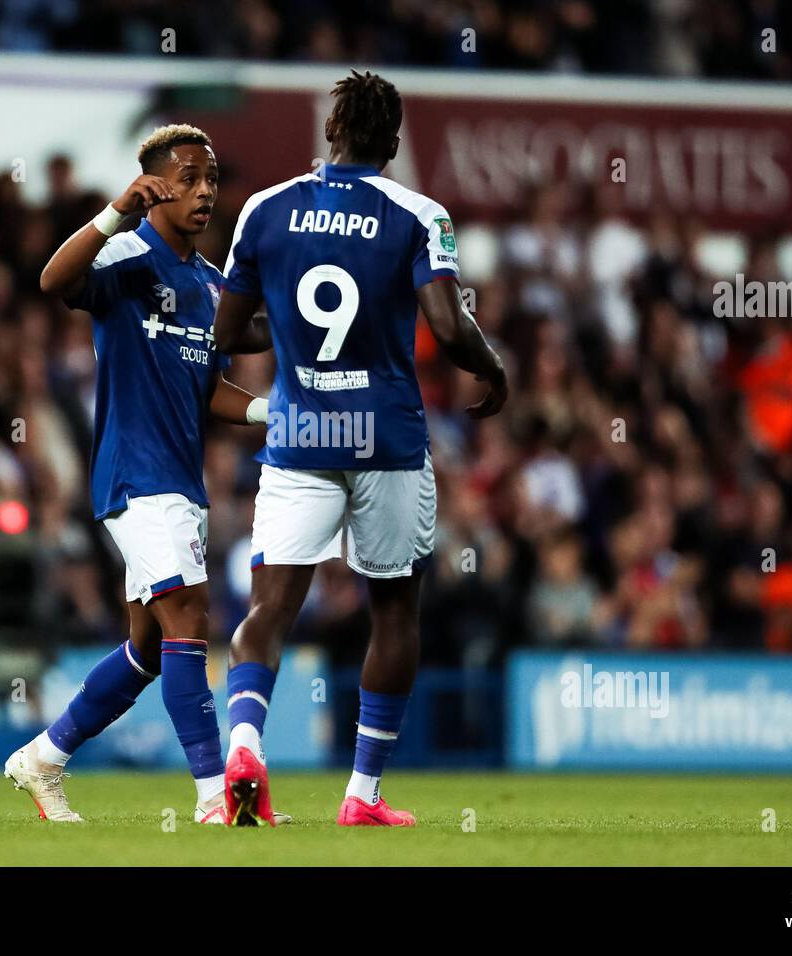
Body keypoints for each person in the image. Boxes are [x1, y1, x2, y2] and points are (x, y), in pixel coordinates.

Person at [213, 71, 508, 826]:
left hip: (303, 431)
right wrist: (490, 364)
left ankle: (244, 747)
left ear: (329, 133)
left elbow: (227, 330)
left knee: (269, 611)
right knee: (394, 612)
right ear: (395, 144)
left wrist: (284, 333)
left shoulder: (264, 210)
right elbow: (446, 327)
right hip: (387, 437)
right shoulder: (419, 214)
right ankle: (362, 794)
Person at [4, 125, 281, 824]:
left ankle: (42, 758)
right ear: (153, 185)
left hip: (180, 483)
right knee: (191, 617)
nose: (205, 192)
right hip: (136, 476)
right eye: (189, 178)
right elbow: (53, 281)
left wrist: (273, 415)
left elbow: (210, 389)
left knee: (150, 649)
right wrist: (112, 212)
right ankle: (216, 796)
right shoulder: (126, 254)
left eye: (211, 180)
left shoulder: (206, 282)